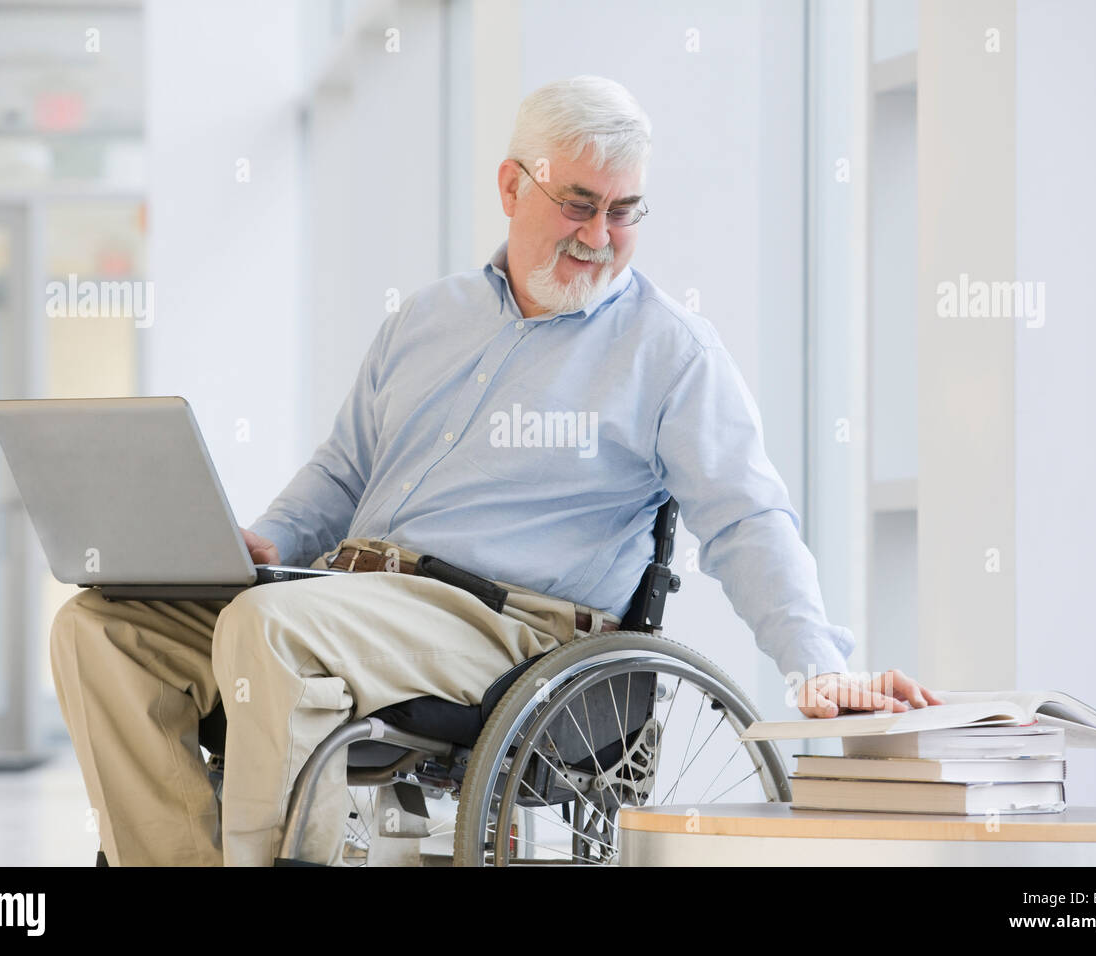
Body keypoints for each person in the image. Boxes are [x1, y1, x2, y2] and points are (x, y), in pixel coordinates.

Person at [50, 74, 941, 868]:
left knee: (270, 628)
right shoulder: (425, 320)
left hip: (508, 631)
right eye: (579, 202)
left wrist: (815, 665)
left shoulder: (668, 354)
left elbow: (750, 519)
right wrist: (265, 539)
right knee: (100, 627)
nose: (600, 235)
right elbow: (345, 467)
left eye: (624, 210)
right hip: (348, 601)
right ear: (513, 186)